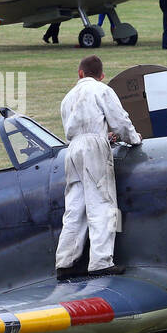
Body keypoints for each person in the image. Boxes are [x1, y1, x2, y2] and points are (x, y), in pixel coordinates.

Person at [55, 55, 143, 280]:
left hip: (72, 150)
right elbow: (120, 120)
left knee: (75, 207)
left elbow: (81, 127)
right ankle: (101, 261)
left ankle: (65, 262)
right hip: (94, 148)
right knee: (103, 203)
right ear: (101, 75)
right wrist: (133, 139)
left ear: (80, 73)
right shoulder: (102, 90)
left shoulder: (67, 98)